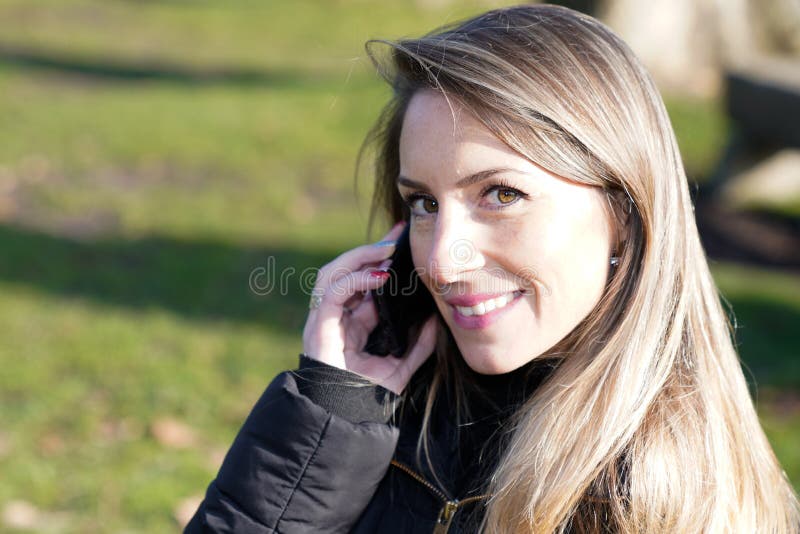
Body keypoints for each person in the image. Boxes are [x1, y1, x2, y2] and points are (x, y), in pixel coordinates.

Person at [186, 4, 800, 533]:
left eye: (501, 194)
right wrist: (330, 416)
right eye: (424, 203)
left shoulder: (661, 501)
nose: (441, 260)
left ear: (625, 210)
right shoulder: (385, 414)